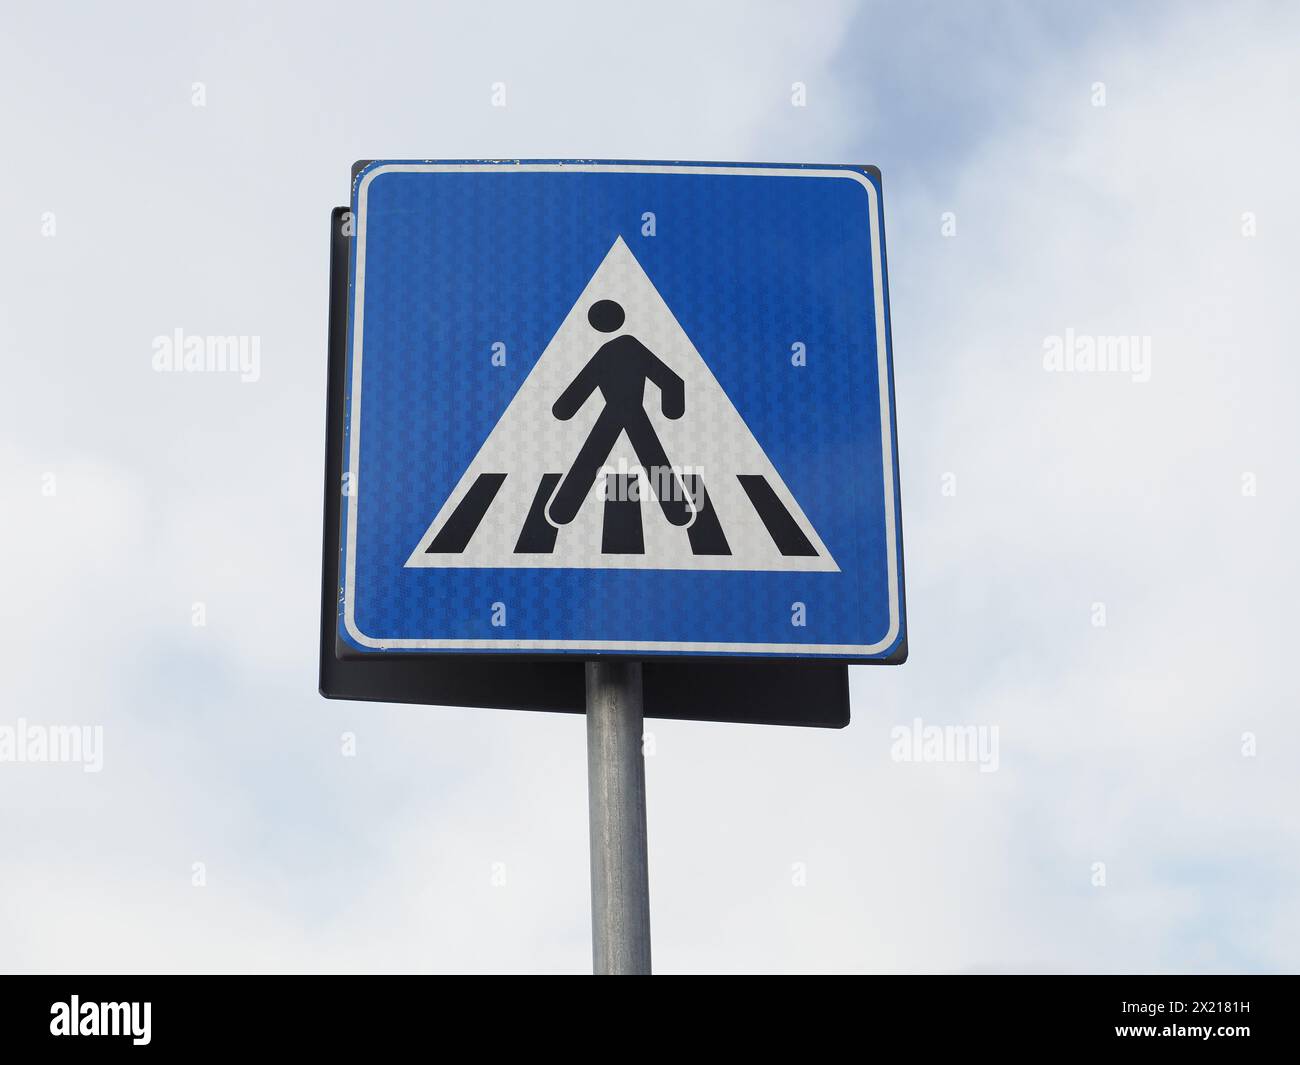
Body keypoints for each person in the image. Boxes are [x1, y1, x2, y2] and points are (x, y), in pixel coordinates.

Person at [547, 299, 691, 527]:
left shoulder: (614, 350)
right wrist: (671, 409)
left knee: (592, 457)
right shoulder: (627, 347)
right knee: (652, 457)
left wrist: (564, 409)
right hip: (628, 412)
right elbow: (672, 381)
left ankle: (562, 511)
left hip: (618, 412)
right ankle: (678, 512)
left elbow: (580, 388)